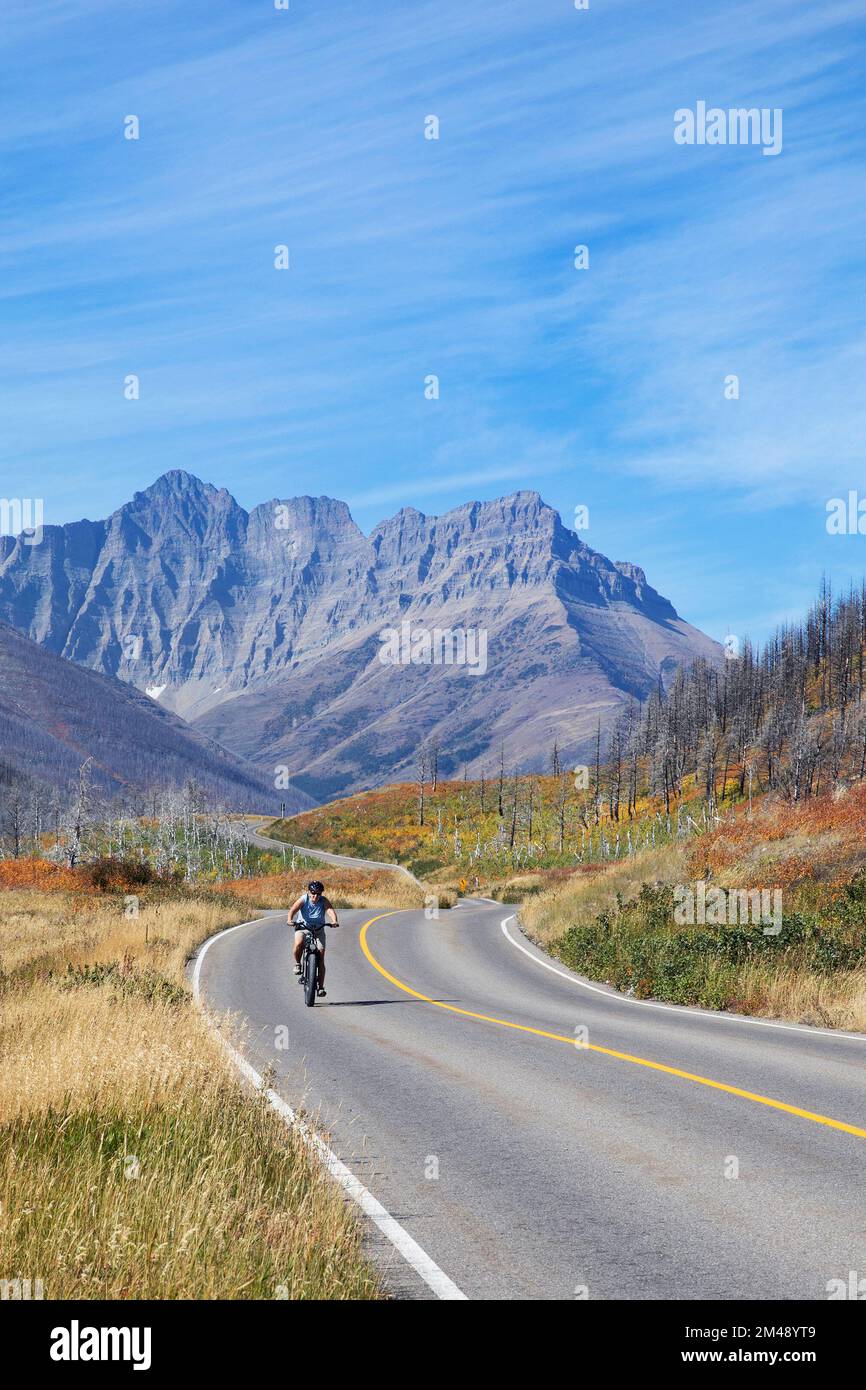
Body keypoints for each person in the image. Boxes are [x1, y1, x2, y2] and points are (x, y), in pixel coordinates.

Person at [287, 880, 339, 997]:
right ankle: (297, 964)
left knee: (320, 954)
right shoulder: (304, 899)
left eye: (318, 893)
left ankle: (320, 987)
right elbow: (294, 909)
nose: (315, 896)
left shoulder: (323, 900)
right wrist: (290, 919)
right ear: (309, 892)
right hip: (303, 927)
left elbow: (330, 910)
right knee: (299, 943)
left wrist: (334, 921)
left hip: (319, 929)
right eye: (313, 893)